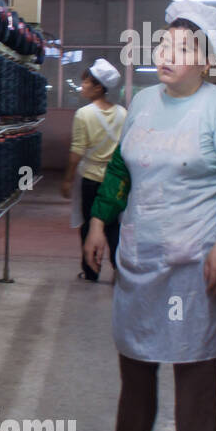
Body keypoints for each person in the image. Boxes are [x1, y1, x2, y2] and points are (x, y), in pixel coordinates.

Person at [83, 0, 216, 431]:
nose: (166, 53)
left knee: (194, 361)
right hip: (141, 253)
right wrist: (99, 224)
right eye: (163, 43)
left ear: (206, 60)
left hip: (193, 258)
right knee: (134, 354)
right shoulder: (141, 103)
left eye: (182, 47)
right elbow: (120, 171)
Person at [61, 59, 125, 282]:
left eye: (86, 83)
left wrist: (68, 179)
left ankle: (91, 270)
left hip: (90, 179)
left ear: (98, 87)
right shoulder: (122, 113)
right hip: (115, 181)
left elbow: (77, 151)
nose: (82, 87)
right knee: (113, 226)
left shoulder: (84, 114)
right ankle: (118, 271)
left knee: (89, 224)